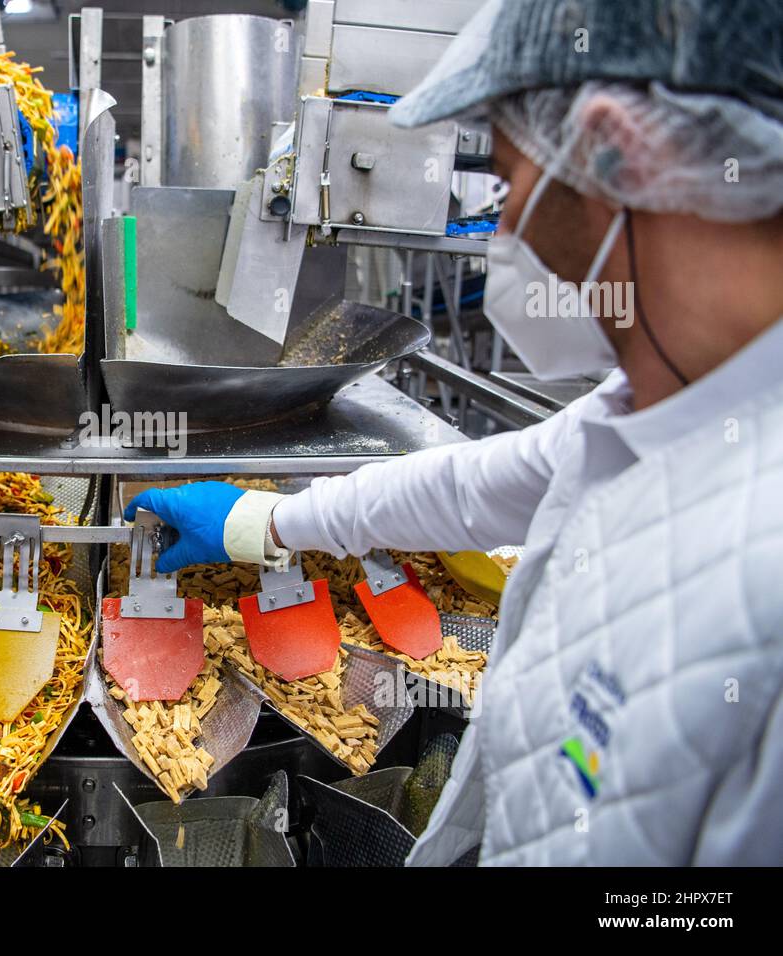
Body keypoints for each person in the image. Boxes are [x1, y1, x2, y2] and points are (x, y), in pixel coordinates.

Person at [127, 0, 783, 865]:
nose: (505, 233)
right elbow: (469, 487)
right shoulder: (646, 414)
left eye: (512, 187)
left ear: (618, 150)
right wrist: (259, 523)